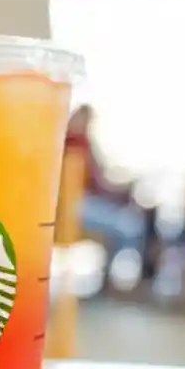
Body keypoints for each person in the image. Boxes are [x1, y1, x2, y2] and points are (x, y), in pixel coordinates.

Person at [65, 105, 143, 257]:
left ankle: (115, 275)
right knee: (127, 229)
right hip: (77, 206)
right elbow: (98, 185)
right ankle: (113, 278)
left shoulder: (79, 143)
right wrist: (123, 192)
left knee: (131, 224)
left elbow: (98, 182)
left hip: (82, 203)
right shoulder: (76, 145)